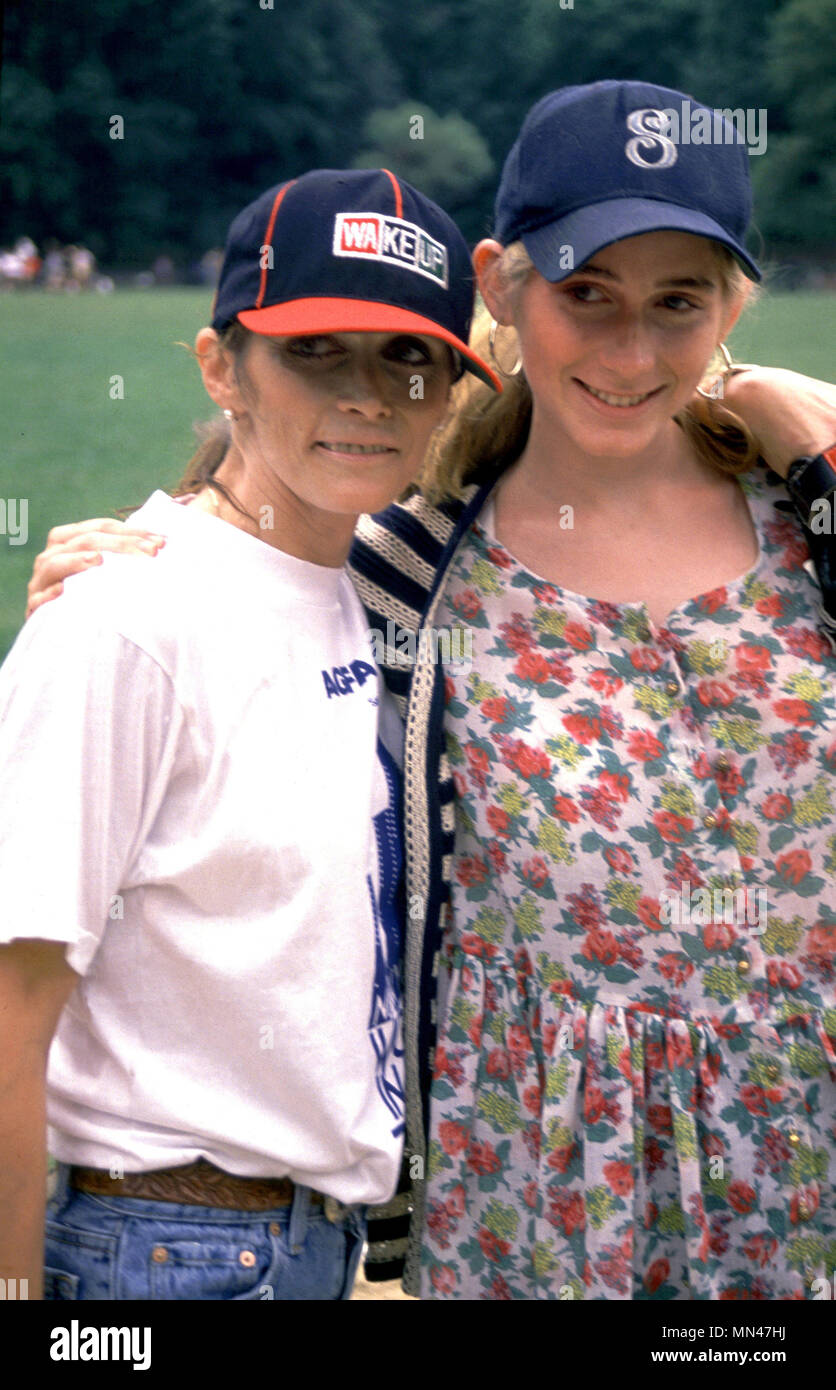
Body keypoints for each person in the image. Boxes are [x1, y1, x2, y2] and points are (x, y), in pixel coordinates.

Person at [23, 83, 836, 1302]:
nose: (628, 352)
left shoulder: (806, 522)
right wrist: (117, 567)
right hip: (538, 1189)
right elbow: (255, 556)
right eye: (586, 296)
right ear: (505, 288)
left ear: (731, 306)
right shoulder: (404, 570)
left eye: (679, 302)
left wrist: (805, 436)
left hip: (798, 1160)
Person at [0, 165, 500, 1301]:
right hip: (157, 1252)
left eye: (407, 359)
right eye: (316, 348)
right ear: (221, 364)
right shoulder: (125, 621)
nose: (369, 396)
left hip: (295, 1246)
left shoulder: (350, 579)